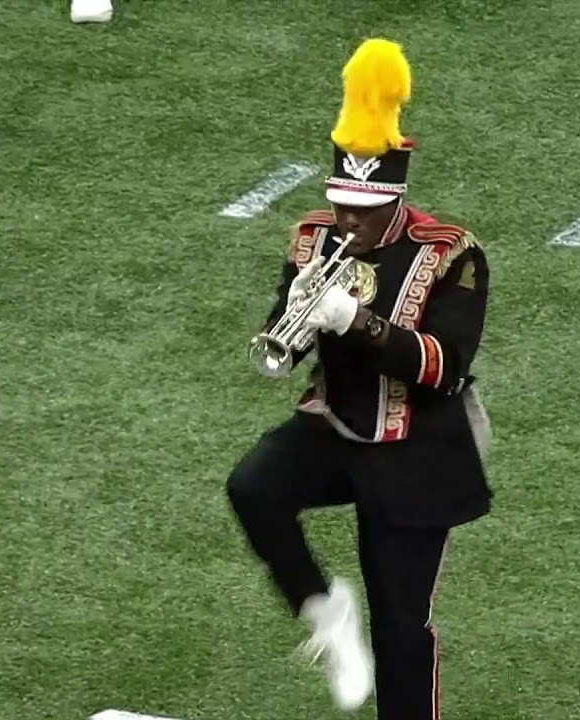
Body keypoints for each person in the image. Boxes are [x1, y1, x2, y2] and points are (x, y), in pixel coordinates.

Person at [225, 38, 492, 719]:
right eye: (340, 203)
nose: (347, 221)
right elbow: (282, 327)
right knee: (253, 487)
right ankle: (323, 611)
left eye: (362, 212)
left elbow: (444, 366)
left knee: (401, 626)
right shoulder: (314, 237)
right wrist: (300, 319)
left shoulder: (451, 254)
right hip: (340, 421)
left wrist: (357, 321)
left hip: (419, 443)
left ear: (394, 201)